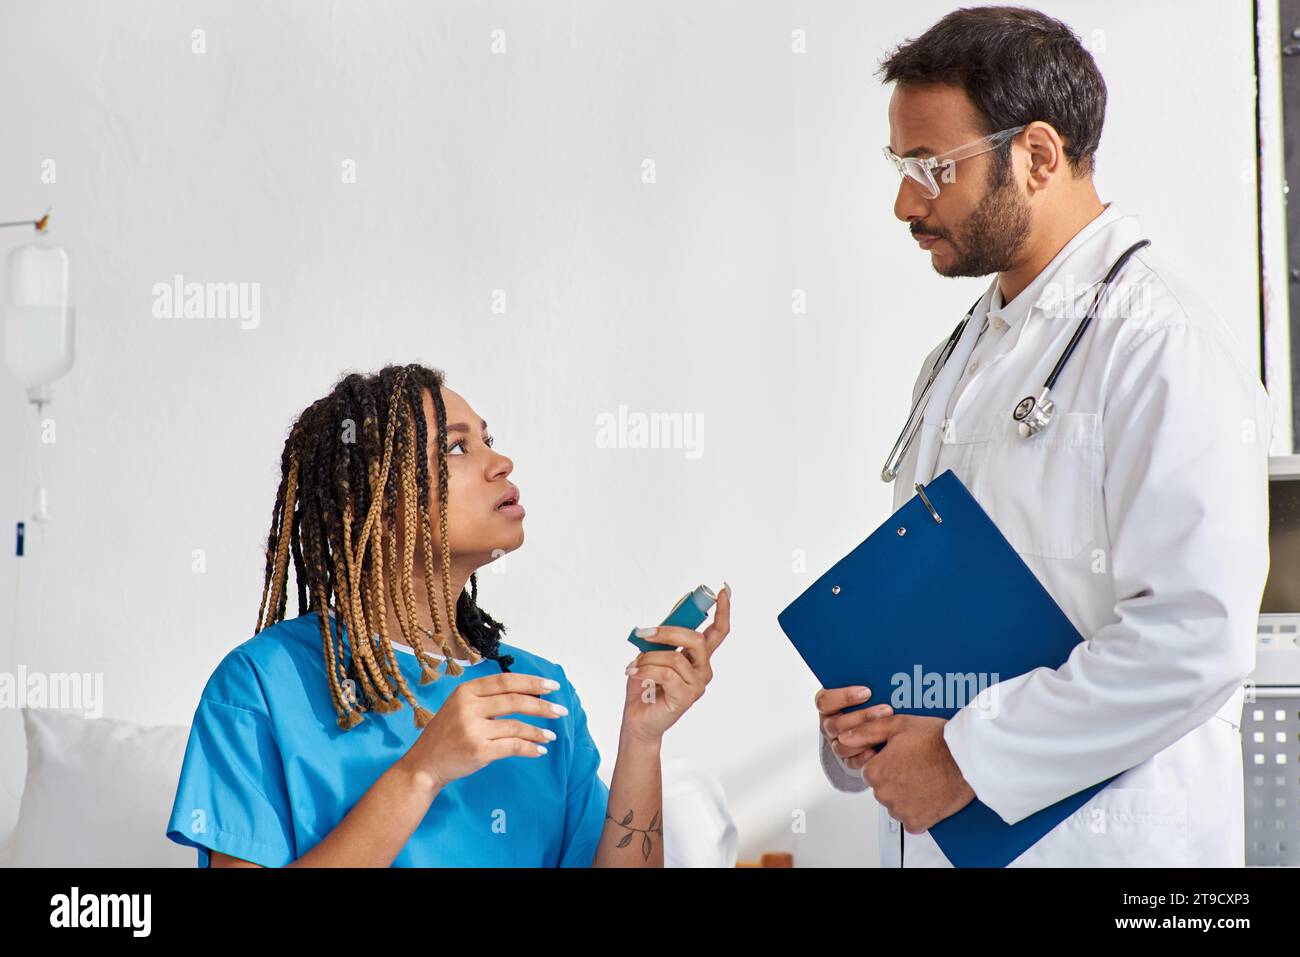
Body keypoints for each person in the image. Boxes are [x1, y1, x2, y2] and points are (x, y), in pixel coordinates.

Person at [816, 6, 1271, 866]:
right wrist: (868, 713)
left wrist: (964, 758)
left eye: (930, 167)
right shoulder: (959, 355)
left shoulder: (1160, 342)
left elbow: (1195, 636)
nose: (904, 201)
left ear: (1036, 156)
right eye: (900, 164)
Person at [165, 363, 731, 866]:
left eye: (489, 440)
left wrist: (642, 737)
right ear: (378, 502)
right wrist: (422, 772)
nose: (502, 462)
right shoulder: (261, 684)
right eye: (459, 448)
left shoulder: (539, 692)